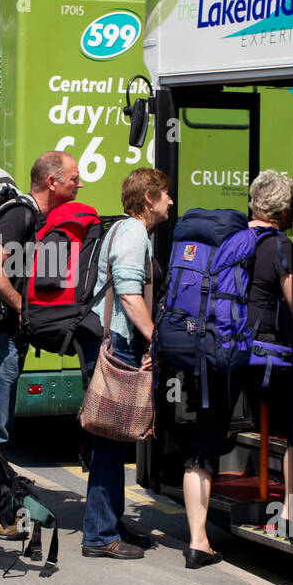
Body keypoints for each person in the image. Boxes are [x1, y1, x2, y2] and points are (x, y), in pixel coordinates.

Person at [76, 167, 172, 560]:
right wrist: (155, 338)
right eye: (165, 194)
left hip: (115, 340)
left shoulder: (125, 230)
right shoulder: (133, 232)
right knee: (111, 444)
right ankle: (99, 535)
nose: (170, 202)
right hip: (122, 343)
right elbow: (131, 295)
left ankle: (109, 524)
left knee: (112, 444)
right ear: (148, 198)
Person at [0, 151, 80, 446]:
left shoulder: (36, 218)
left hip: (6, 334)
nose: (79, 185)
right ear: (51, 182)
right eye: (74, 179)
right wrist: (20, 305)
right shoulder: (21, 213)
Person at [229, 171, 293, 540]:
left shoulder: (236, 237)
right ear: (283, 210)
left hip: (231, 350)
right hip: (268, 355)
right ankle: (289, 511)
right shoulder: (280, 245)